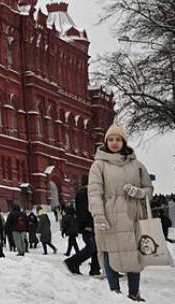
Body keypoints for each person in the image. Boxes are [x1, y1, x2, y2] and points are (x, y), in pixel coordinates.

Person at [89, 123, 151, 301]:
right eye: (111, 139)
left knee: (134, 254)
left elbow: (148, 187)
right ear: (106, 142)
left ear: (124, 141)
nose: (114, 143)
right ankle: (114, 293)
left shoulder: (136, 164)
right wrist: (98, 215)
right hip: (110, 216)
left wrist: (140, 193)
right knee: (110, 253)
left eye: (118, 139)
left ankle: (134, 293)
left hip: (133, 215)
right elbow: (94, 192)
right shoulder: (98, 165)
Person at [65, 173, 103, 276]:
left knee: (96, 247)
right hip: (87, 226)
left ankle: (95, 269)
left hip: (91, 225)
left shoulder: (87, 193)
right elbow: (83, 211)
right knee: (92, 247)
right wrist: (88, 225)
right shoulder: (83, 194)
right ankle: (72, 262)